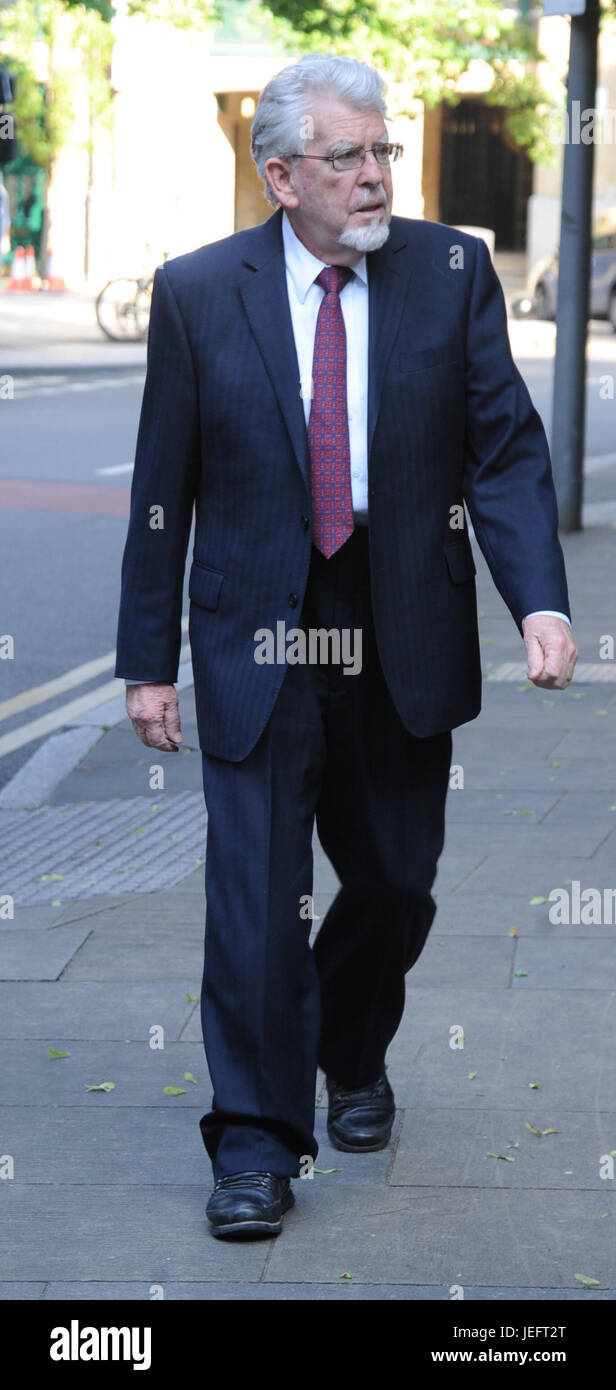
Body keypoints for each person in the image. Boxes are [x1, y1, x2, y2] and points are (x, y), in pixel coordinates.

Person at [115, 54, 578, 1240]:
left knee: (394, 878)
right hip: (254, 623)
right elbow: (161, 490)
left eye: (383, 152)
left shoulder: (451, 270)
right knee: (258, 902)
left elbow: (505, 450)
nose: (376, 177)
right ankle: (256, 1144)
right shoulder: (197, 291)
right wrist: (146, 657)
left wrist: (537, 599)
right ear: (280, 177)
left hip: (397, 617)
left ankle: (349, 1046)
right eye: (347, 158)